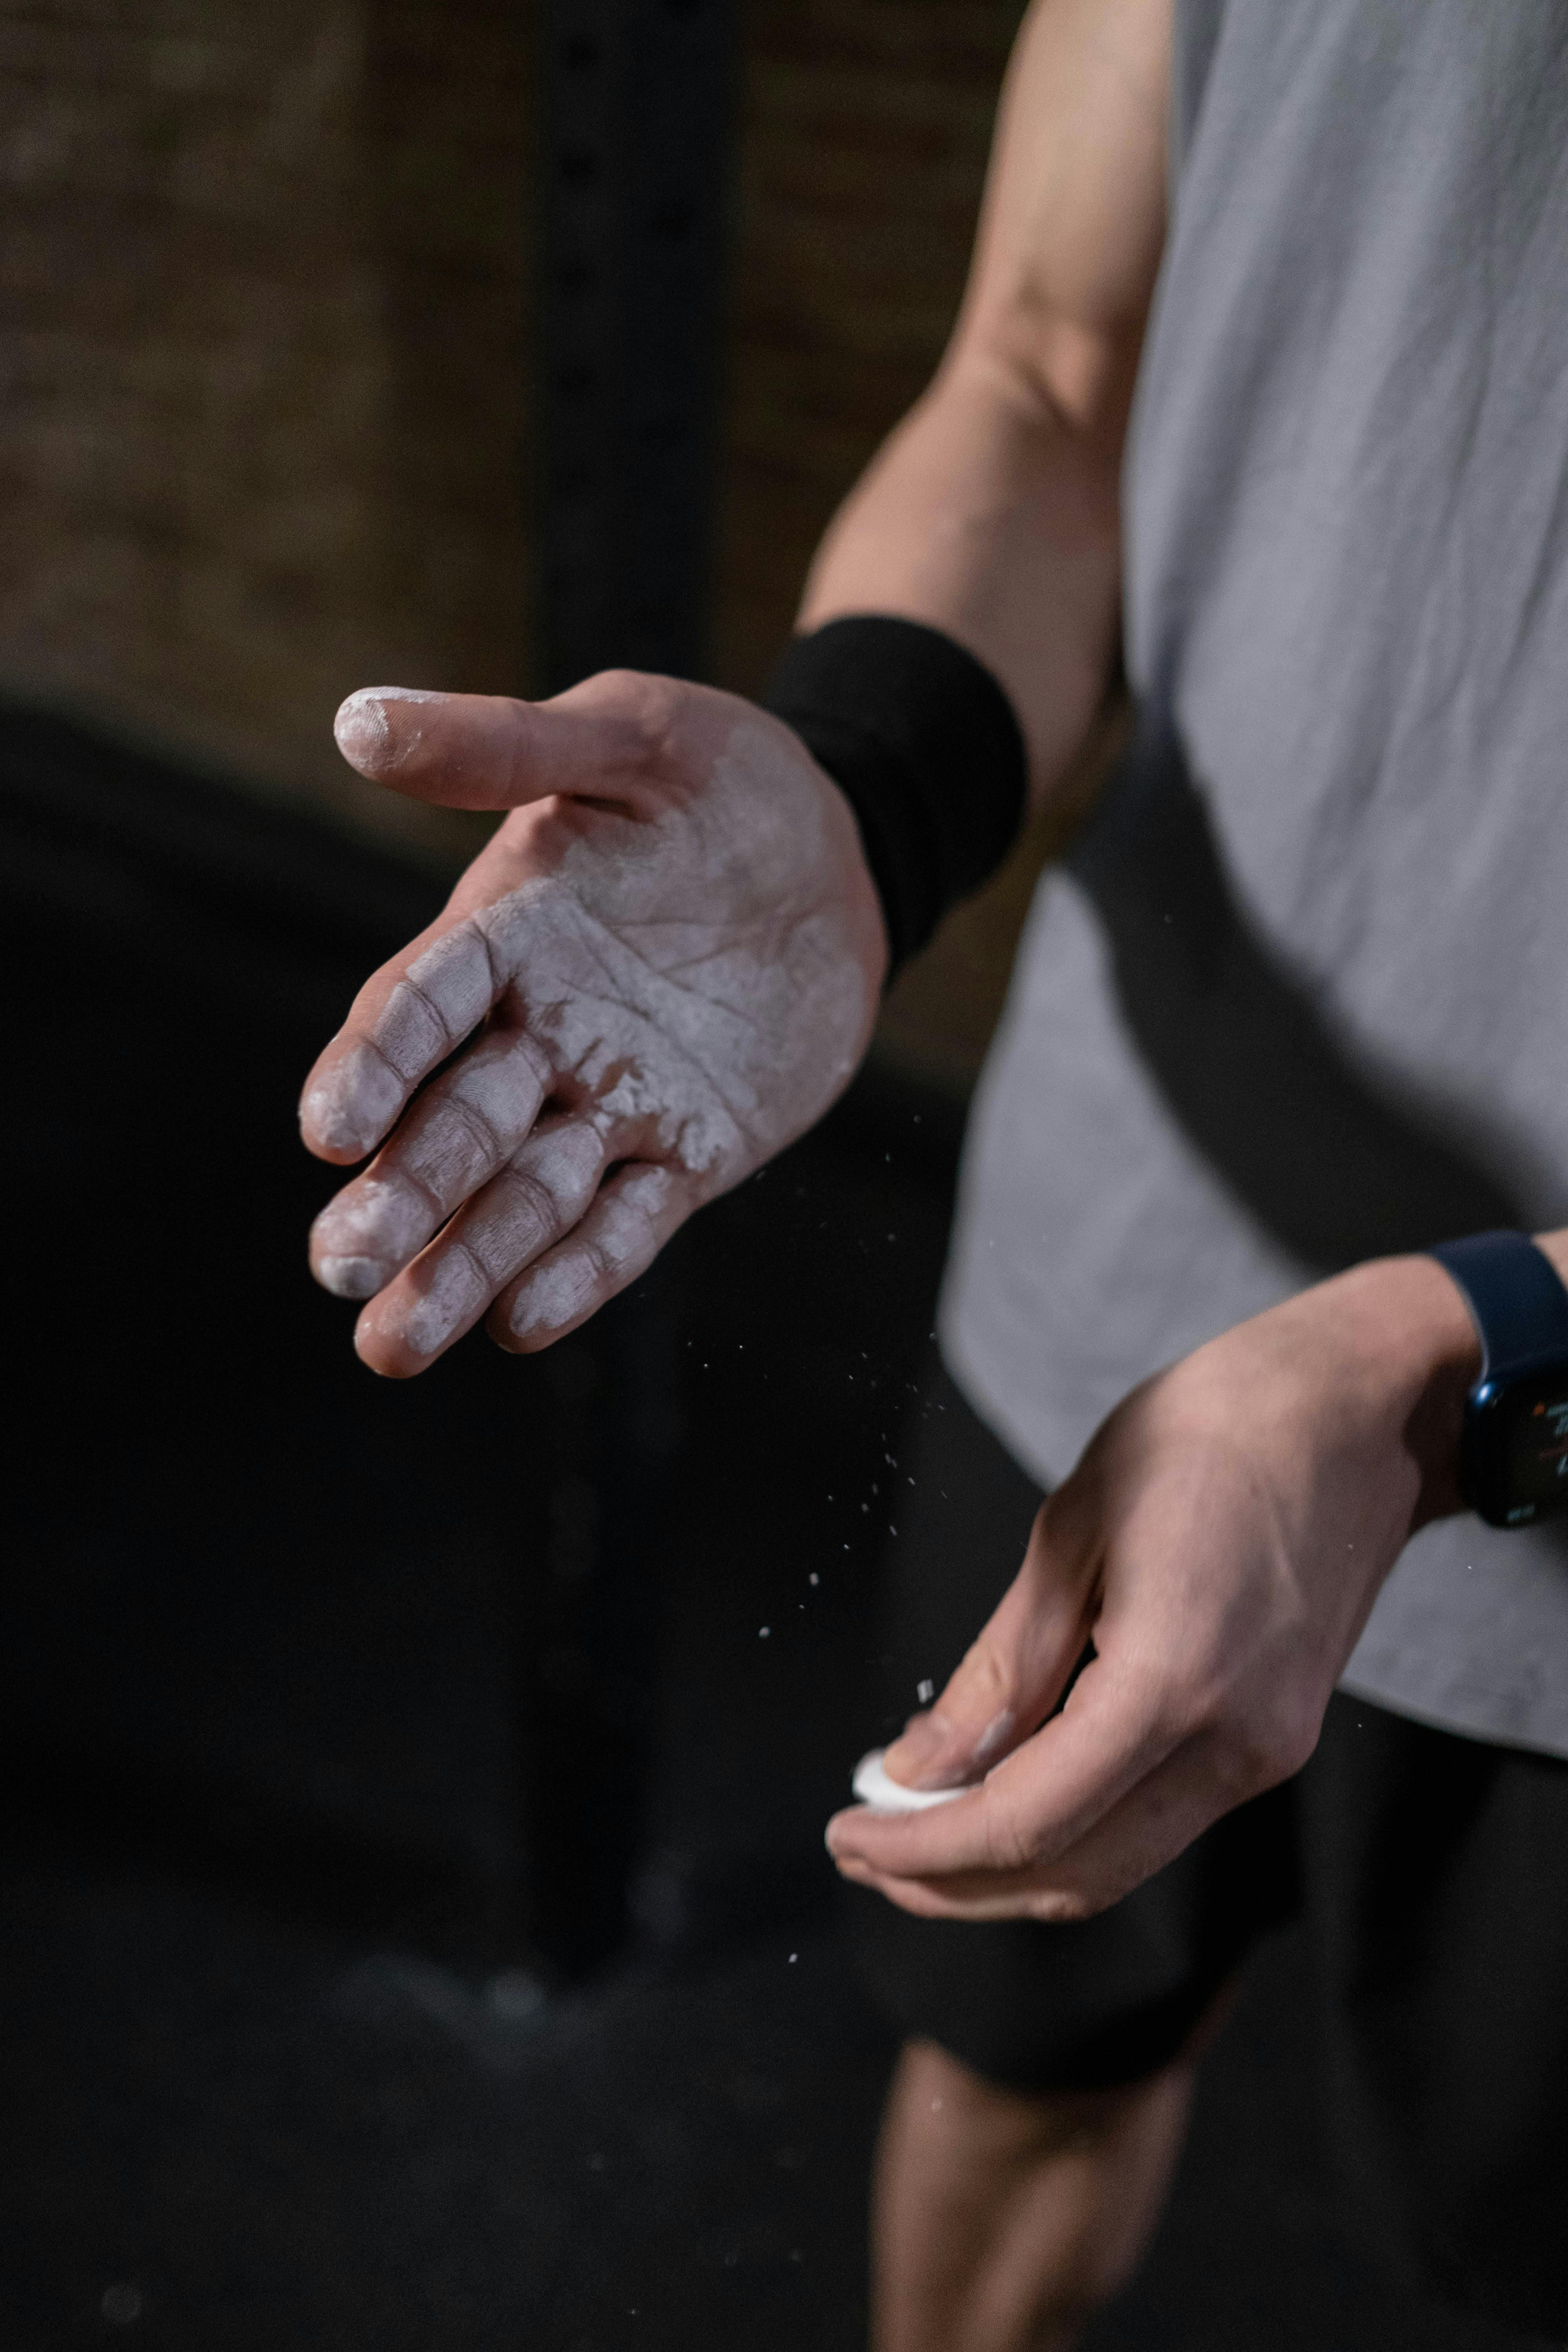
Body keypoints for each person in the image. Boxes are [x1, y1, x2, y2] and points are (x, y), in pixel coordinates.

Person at [299, 1, 1568, 2344]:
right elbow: (1051, 370)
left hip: (1542, 1423)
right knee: (1016, 2058)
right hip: (1133, 1279)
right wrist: (874, 795)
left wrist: (1462, 1350)